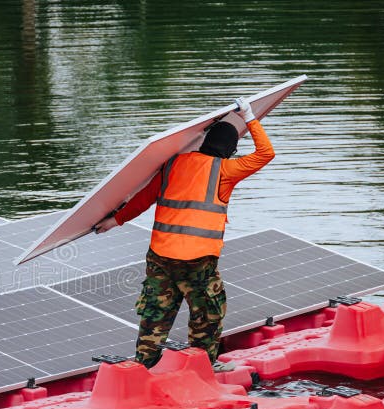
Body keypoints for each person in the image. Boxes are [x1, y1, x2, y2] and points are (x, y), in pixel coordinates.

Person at [94, 98, 274, 370]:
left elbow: (144, 198)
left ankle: (143, 365)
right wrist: (249, 116)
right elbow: (266, 153)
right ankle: (205, 363)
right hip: (197, 260)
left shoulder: (174, 164)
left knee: (156, 310)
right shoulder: (225, 170)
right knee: (208, 312)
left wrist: (114, 220)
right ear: (230, 150)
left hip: (160, 256)